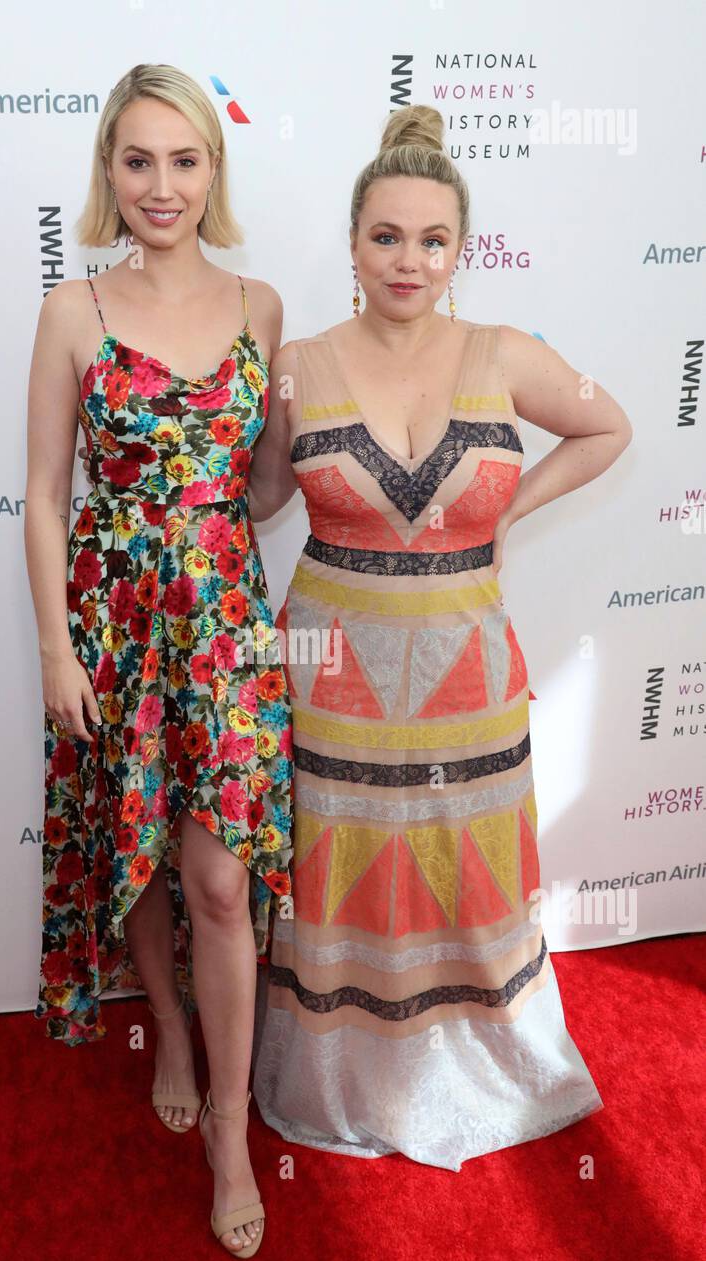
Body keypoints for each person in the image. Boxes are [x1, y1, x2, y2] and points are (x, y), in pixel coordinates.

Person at [246, 105, 632, 1170]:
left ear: (459, 250)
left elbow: (608, 424)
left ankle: (482, 1060)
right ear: (352, 244)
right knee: (338, 872)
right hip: (327, 673)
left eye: (430, 239)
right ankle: (337, 1076)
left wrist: (510, 509)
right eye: (384, 236)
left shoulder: (503, 352)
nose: (406, 260)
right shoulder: (297, 363)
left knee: (466, 875)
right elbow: (261, 498)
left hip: (468, 671)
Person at [25, 63, 293, 1257]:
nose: (161, 185)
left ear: (213, 171)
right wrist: (52, 646)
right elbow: (40, 496)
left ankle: (227, 1131)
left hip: (226, 623)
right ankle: (172, 1037)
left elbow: (271, 475)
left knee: (222, 880)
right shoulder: (72, 311)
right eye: (138, 161)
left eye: (184, 160)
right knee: (137, 852)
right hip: (114, 626)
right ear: (108, 174)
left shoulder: (262, 307)